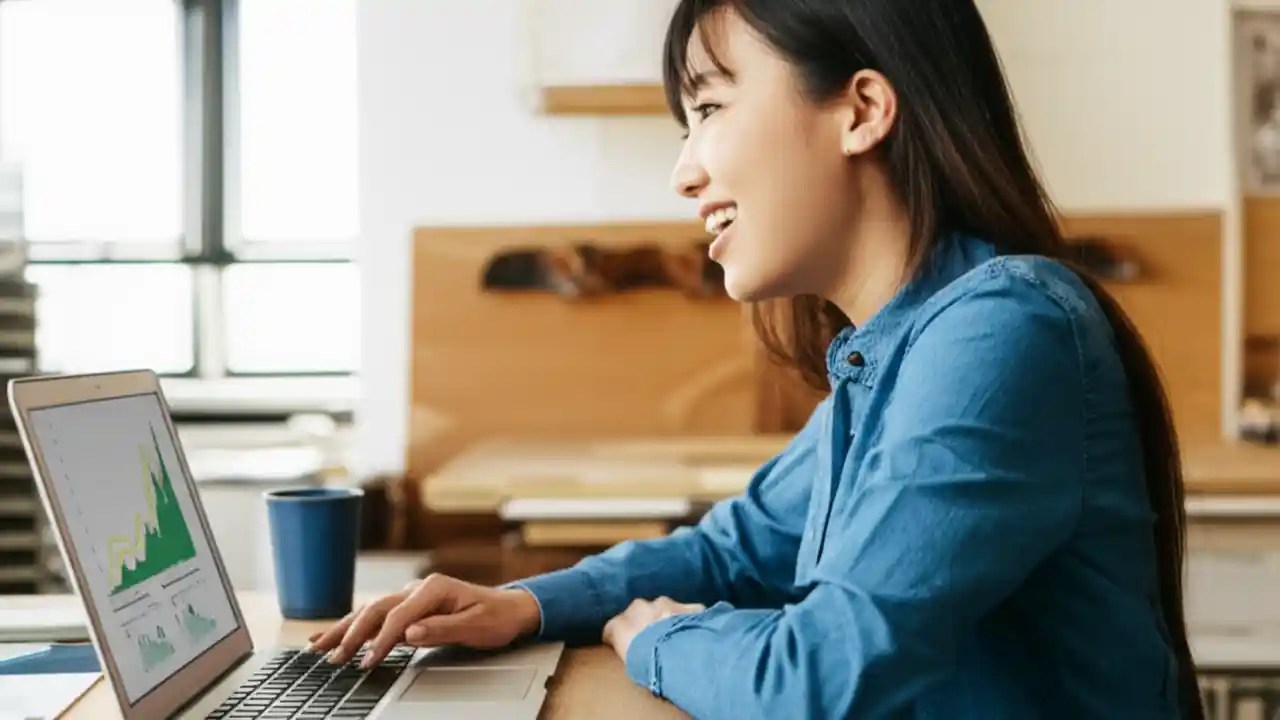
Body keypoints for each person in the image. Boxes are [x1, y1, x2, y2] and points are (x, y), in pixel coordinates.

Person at [311, 1, 1205, 717]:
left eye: (706, 111)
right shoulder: (902, 349)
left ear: (861, 110)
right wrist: (528, 605)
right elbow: (734, 549)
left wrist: (657, 637)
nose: (684, 173)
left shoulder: (1002, 330)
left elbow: (815, 681)